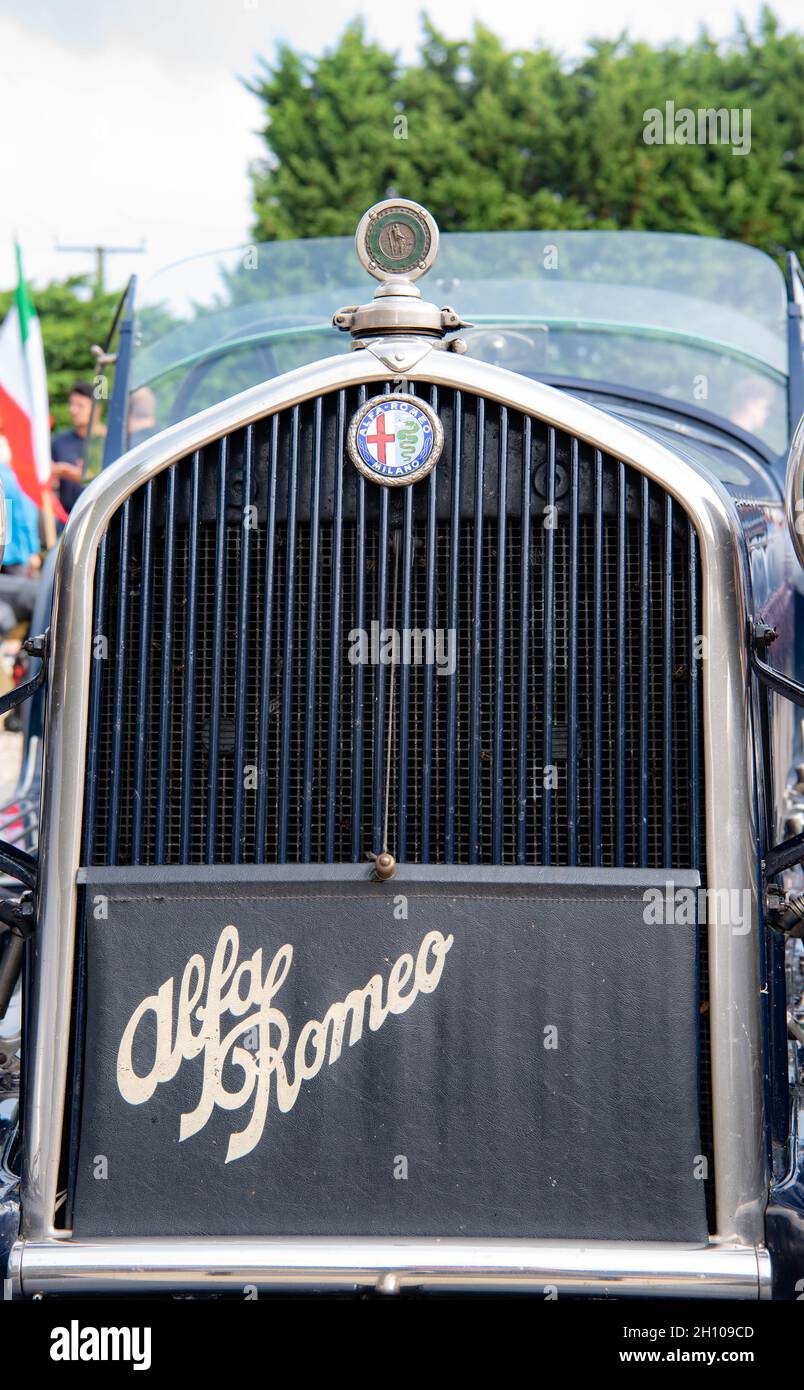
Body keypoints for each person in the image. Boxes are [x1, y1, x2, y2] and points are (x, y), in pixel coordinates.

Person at [50, 382, 94, 514]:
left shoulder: (105, 441)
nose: (73, 410)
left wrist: (75, 474)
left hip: (97, 518)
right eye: (71, 404)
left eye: (80, 406)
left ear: (96, 409)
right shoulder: (59, 441)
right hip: (66, 518)